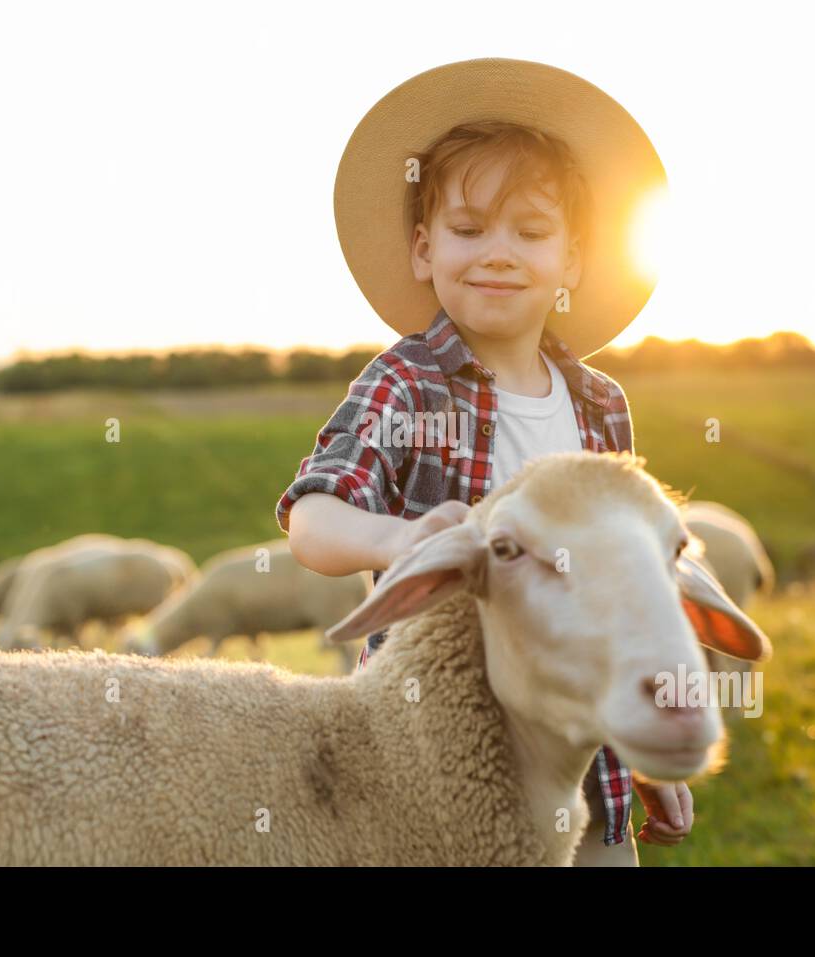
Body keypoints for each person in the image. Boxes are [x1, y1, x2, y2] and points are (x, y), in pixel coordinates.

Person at [276, 58, 689, 863]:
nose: (498, 253)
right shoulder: (405, 383)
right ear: (425, 250)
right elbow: (313, 520)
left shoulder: (601, 406)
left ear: (571, 260)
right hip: (435, 781)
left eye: (530, 233)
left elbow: (628, 589)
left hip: (583, 776)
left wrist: (646, 739)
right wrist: (395, 541)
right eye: (469, 231)